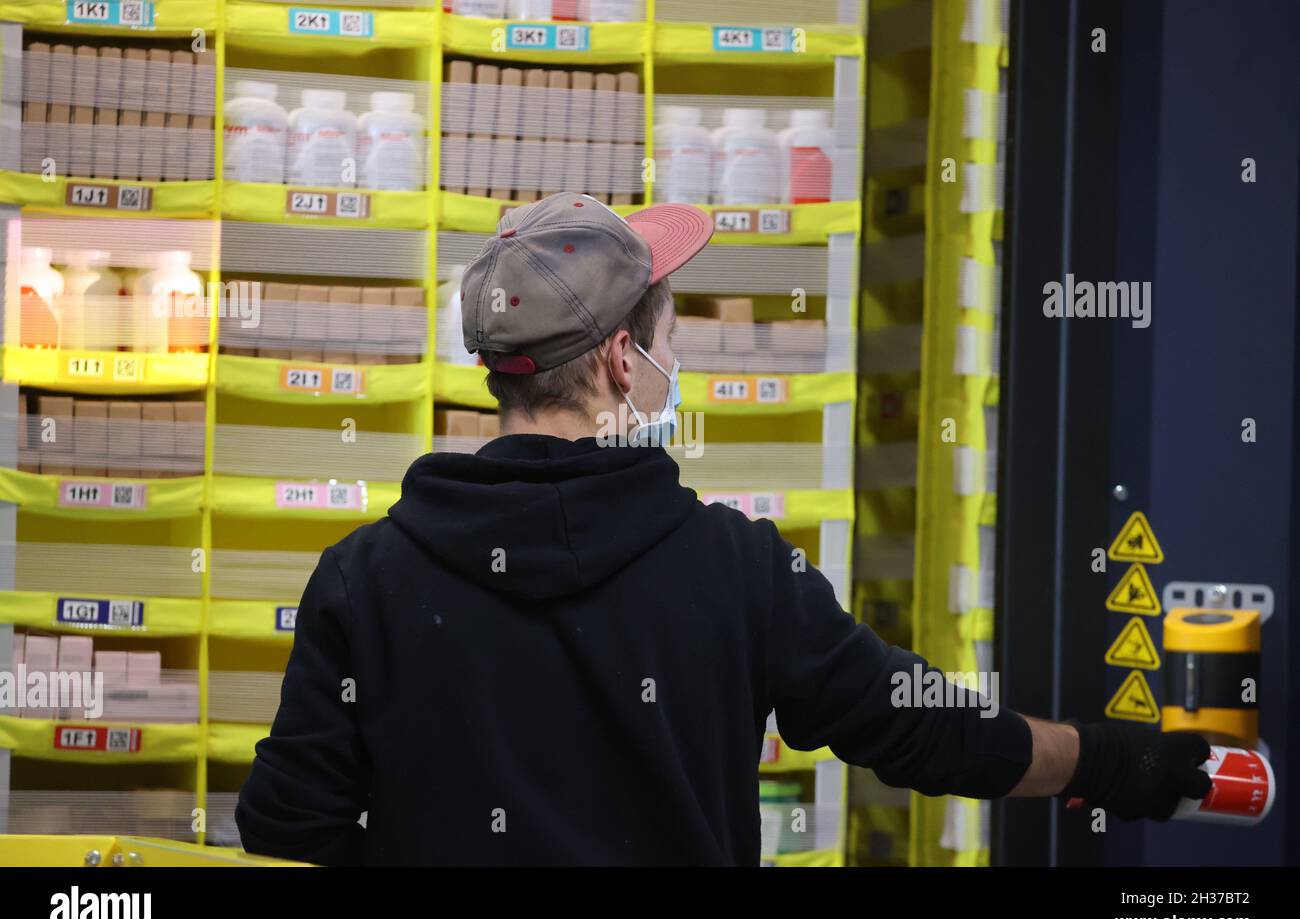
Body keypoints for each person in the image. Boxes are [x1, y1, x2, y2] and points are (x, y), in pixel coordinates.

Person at [236, 193, 1211, 865]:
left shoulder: (364, 575)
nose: (680, 351)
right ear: (624, 360)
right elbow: (921, 728)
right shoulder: (739, 569)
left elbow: (288, 825)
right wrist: (1112, 760)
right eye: (669, 333)